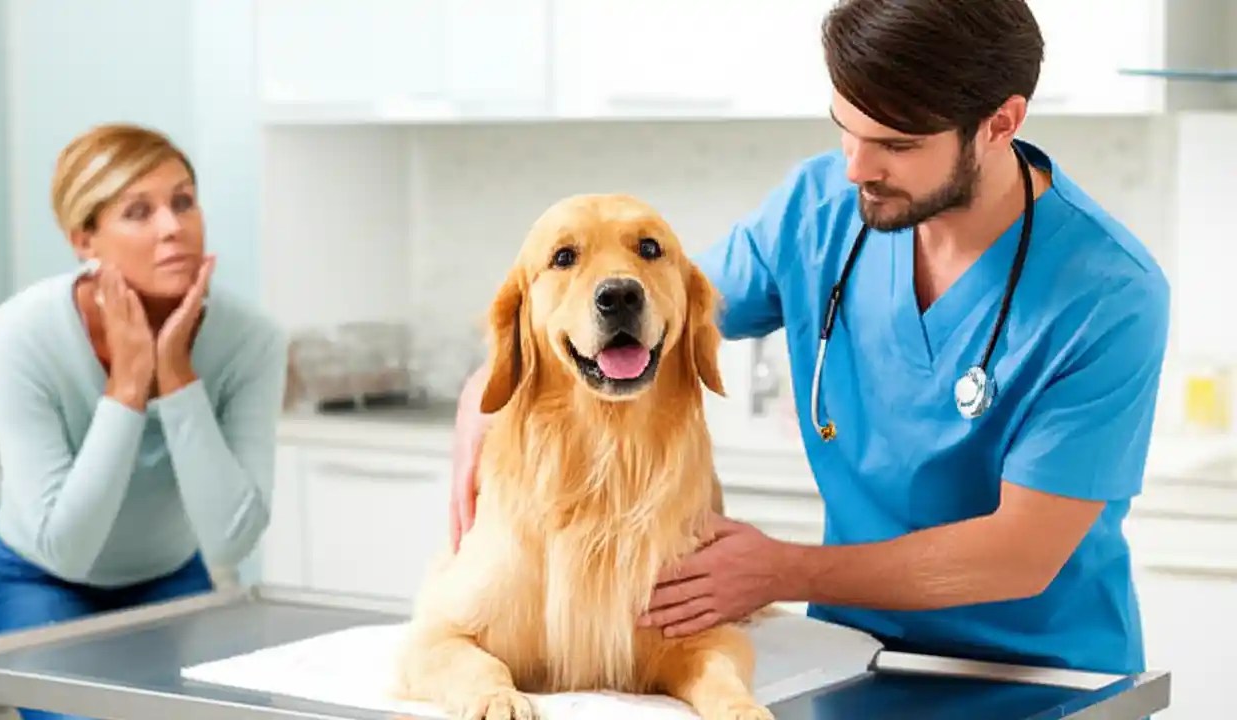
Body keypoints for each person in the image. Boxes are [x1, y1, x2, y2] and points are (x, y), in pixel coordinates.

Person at [449, 0, 1169, 678]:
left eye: (896, 143)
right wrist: (492, 382)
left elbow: (1019, 555)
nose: (856, 168)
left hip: (1039, 677)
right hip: (855, 658)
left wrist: (783, 570)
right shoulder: (819, 208)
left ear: (1000, 123)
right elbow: (664, 311)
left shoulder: (1107, 294)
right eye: (845, 128)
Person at [0, 124, 287, 719]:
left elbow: (231, 539)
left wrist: (175, 376)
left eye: (183, 201)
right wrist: (126, 385)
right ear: (84, 240)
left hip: (170, 577)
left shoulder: (251, 341)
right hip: (42, 580)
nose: (172, 226)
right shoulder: (19, 336)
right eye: (138, 212)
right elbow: (66, 550)